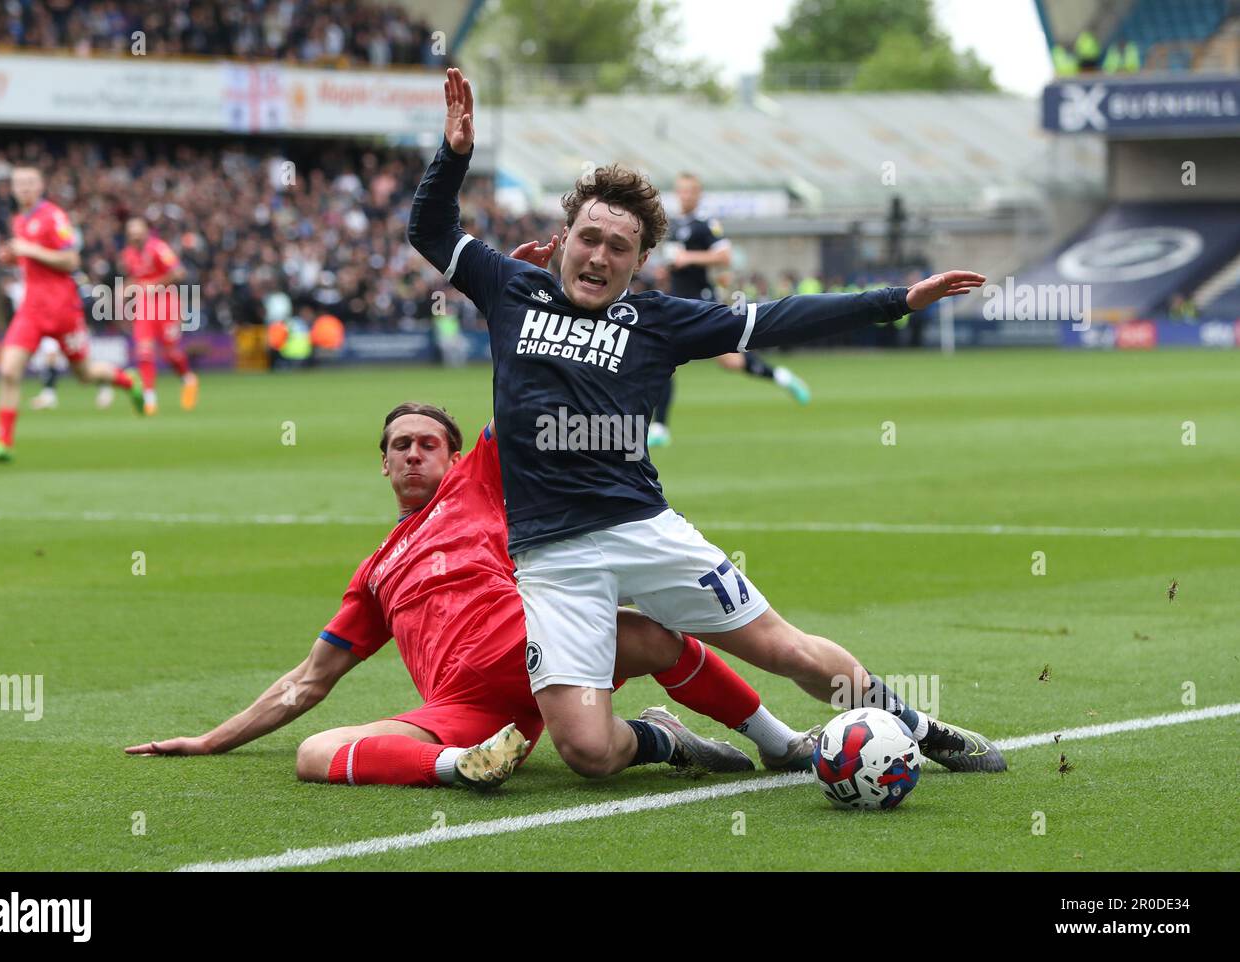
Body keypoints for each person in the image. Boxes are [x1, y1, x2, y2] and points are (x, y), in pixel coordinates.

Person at [407, 68, 1004, 781]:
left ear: (640, 262)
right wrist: (455, 156)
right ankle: (667, 737)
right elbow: (429, 229)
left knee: (789, 652)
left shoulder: (658, 319)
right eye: (588, 237)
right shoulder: (509, 285)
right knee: (588, 753)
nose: (599, 256)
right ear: (563, 237)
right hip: (551, 558)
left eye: (618, 247)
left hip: (642, 529)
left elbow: (779, 318)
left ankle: (921, 727)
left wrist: (897, 300)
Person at [127, 400, 817, 788]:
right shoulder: (373, 573)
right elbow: (307, 683)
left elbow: (525, 397)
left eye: (429, 443)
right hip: (466, 710)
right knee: (315, 755)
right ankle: (475, 765)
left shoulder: (476, 485)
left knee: (650, 635)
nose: (413, 453)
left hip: (537, 652)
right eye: (399, 444)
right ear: (383, 461)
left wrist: (530, 298)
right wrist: (211, 741)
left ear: (455, 458)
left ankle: (779, 741)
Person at [0, 166, 143, 463]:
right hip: (31, 311)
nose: (25, 188)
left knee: (85, 374)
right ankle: (3, 443)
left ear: (40, 186)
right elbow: (31, 261)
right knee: (8, 371)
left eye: (30, 182)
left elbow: (70, 260)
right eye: (19, 183)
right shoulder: (19, 221)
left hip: (63, 310)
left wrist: (29, 249)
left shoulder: (53, 216)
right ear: (12, 189)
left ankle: (128, 381)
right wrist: (15, 257)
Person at [648, 172, 811, 448]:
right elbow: (678, 263)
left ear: (698, 195)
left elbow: (724, 256)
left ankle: (781, 376)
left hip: (700, 300)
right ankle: (661, 427)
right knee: (663, 358)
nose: (685, 196)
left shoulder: (705, 225)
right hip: (676, 300)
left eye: (690, 192)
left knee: (730, 360)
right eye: (681, 191)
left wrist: (689, 258)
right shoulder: (676, 226)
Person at [120, 217, 198, 415]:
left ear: (147, 231)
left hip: (166, 302)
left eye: (138, 230)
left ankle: (188, 379)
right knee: (144, 352)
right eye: (131, 231)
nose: (135, 234)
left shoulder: (159, 248)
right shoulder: (128, 254)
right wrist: (126, 288)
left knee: (171, 353)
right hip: (145, 305)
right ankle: (149, 399)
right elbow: (137, 278)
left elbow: (178, 273)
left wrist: (154, 285)